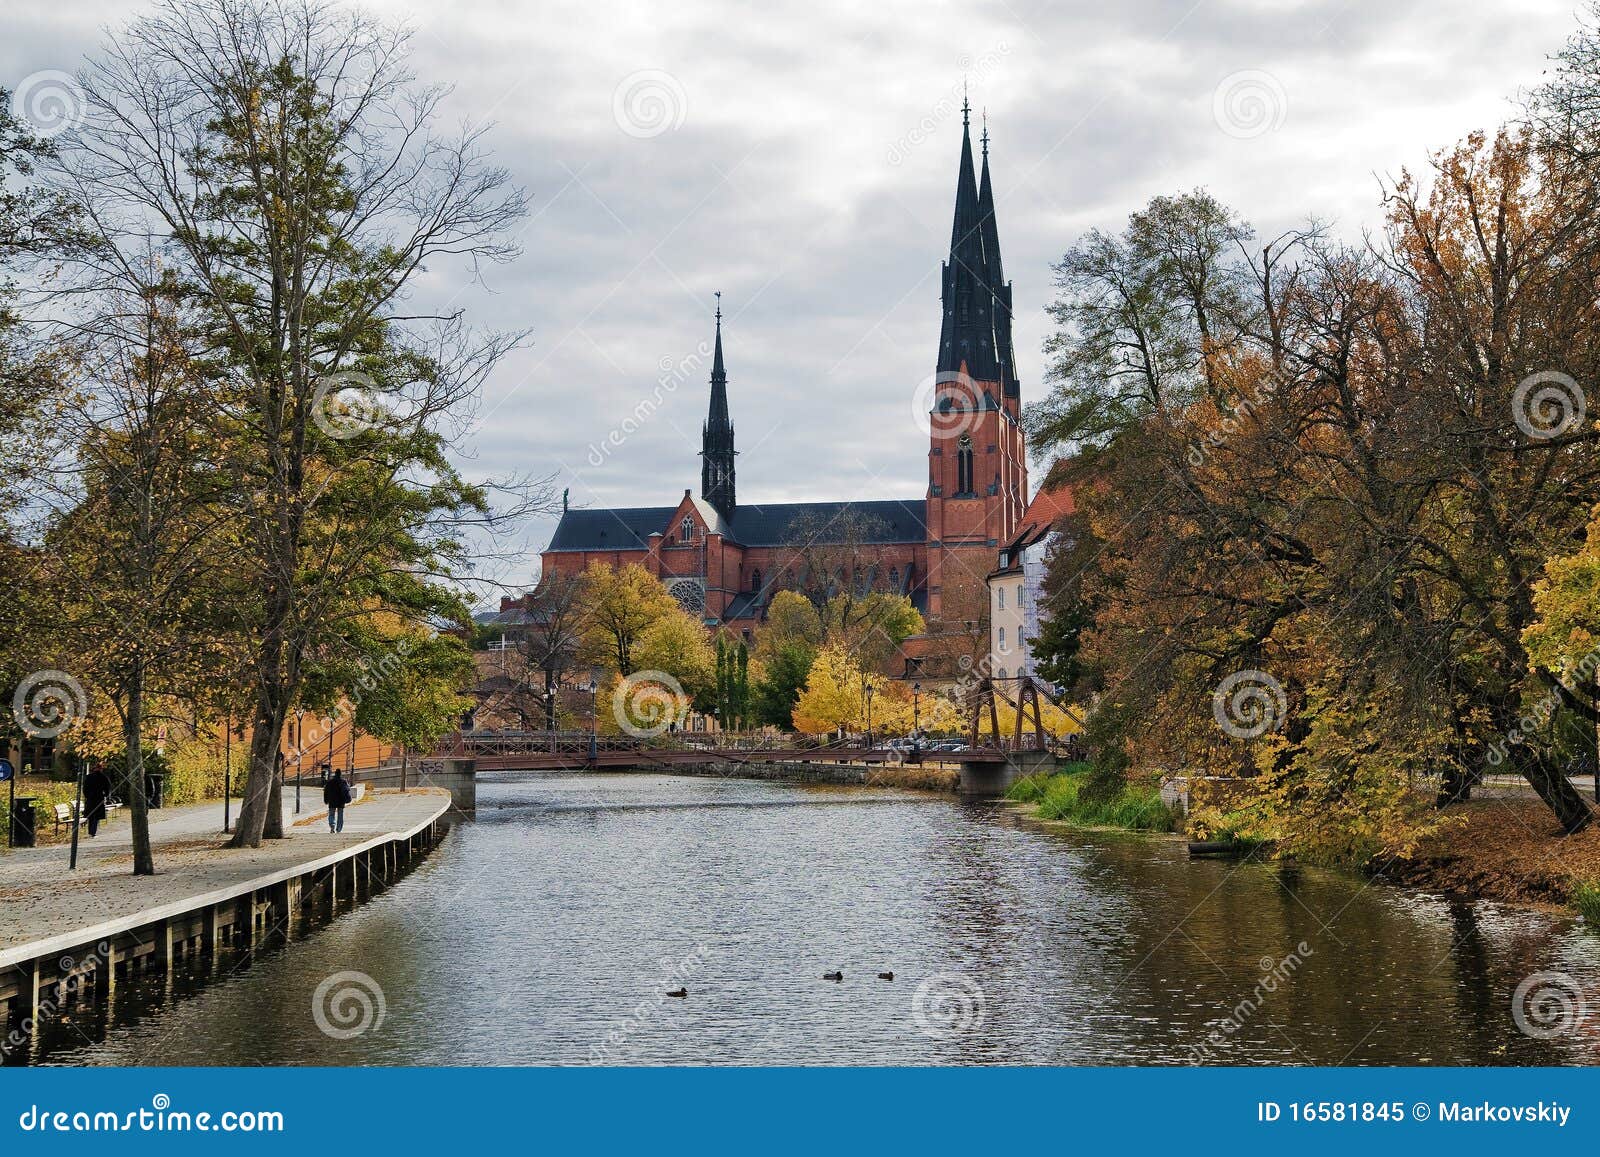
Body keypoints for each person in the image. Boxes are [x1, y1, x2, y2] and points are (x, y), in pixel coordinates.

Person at [82, 763, 112, 838]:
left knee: (91, 815)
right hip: (99, 798)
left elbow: (85, 788)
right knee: (96, 816)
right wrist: (107, 798)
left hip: (90, 799)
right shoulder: (103, 777)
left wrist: (87, 796)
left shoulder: (89, 777)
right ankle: (93, 832)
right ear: (101, 769)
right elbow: (108, 789)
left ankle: (91, 831)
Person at [323, 769, 353, 833]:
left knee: (331, 814)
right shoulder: (343, 781)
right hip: (341, 801)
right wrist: (348, 799)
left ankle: (332, 826)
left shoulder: (330, 782)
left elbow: (326, 792)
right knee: (340, 815)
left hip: (332, 801)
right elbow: (347, 790)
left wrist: (326, 800)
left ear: (335, 774)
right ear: (340, 774)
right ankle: (339, 829)